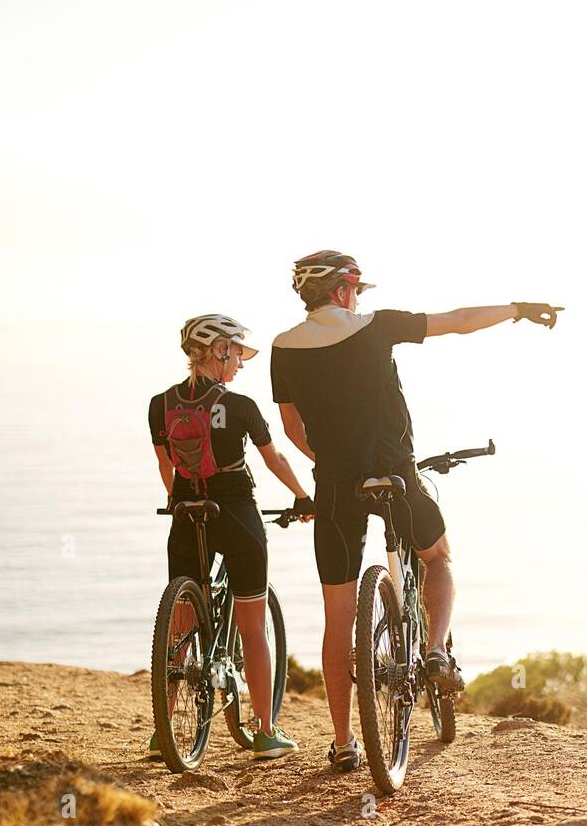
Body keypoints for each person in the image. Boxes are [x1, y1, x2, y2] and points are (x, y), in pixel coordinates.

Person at [270, 251, 562, 771]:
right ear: (343, 290)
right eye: (356, 289)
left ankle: (343, 744)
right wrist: (518, 308)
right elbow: (461, 322)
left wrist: (333, 463)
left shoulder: (283, 347)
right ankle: (433, 651)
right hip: (396, 473)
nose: (358, 298)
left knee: (337, 619)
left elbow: (293, 430)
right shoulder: (377, 327)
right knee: (438, 558)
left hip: (336, 485)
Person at [147, 314, 314, 759]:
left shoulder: (160, 404)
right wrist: (302, 497)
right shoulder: (240, 405)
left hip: (185, 516)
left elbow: (167, 466)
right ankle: (265, 731)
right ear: (220, 351)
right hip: (237, 516)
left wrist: (182, 500)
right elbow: (273, 457)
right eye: (237, 353)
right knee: (252, 625)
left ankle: (163, 728)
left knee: (179, 627)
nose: (240, 363)